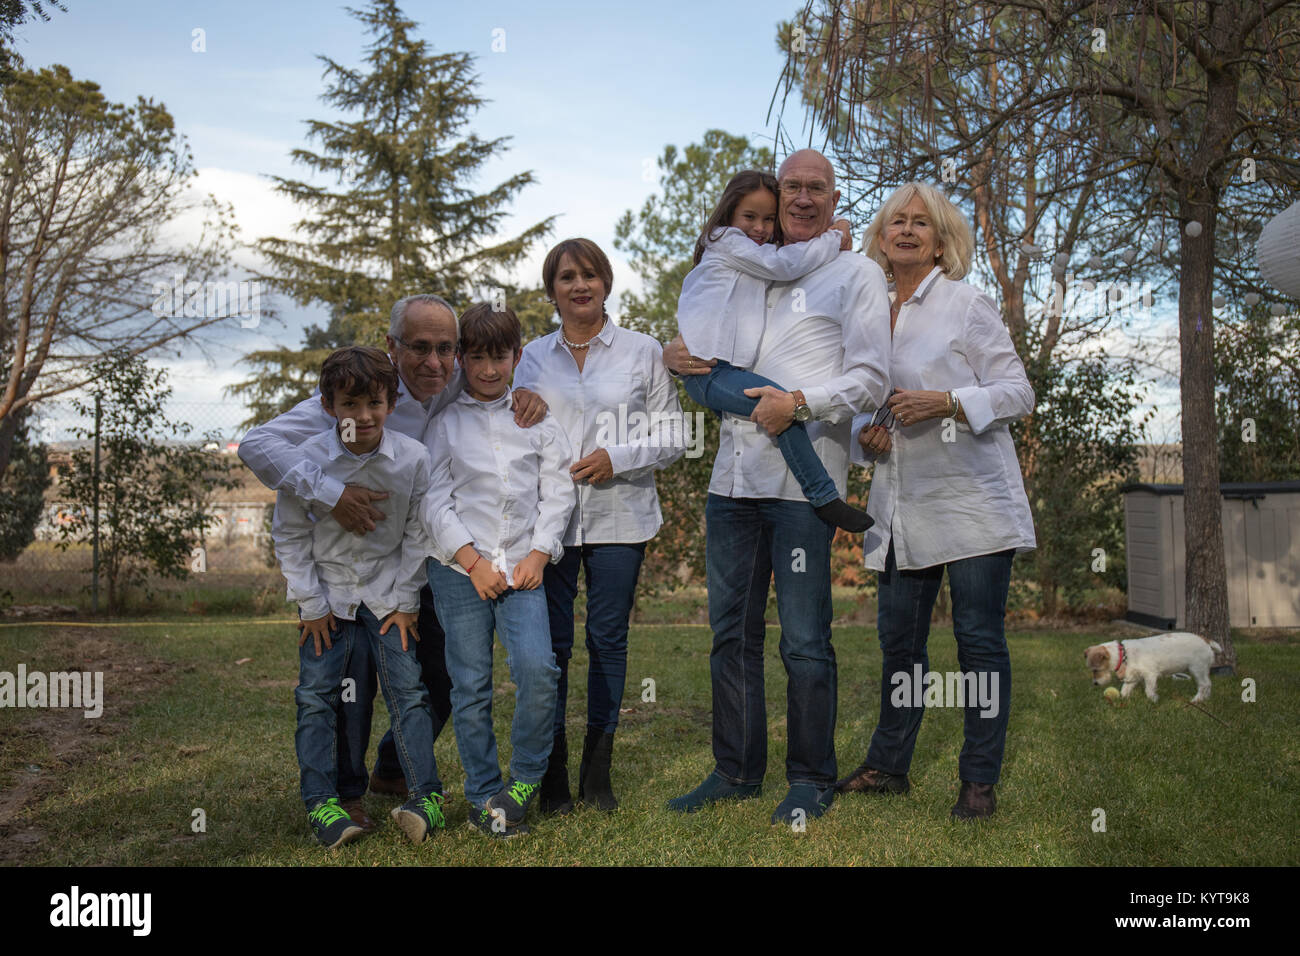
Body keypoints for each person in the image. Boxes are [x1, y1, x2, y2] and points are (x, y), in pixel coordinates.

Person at [238, 294, 546, 829]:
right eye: (420, 348)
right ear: (392, 346)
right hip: (359, 569)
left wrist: (530, 396)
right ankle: (344, 793)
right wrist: (331, 493)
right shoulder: (361, 395)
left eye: (446, 349)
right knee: (351, 680)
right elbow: (257, 446)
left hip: (435, 562)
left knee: (441, 677)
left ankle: (393, 770)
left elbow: (495, 379)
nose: (434, 362)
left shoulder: (454, 384)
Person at [665, 150, 891, 825]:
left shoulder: (857, 274)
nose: (799, 199)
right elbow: (706, 342)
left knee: (803, 639)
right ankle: (734, 770)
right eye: (790, 186)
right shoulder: (747, 259)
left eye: (813, 188)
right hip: (731, 483)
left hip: (801, 488)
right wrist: (672, 353)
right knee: (730, 634)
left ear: (832, 195)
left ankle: (811, 776)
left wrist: (799, 400)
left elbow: (872, 379)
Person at [836, 181, 1036, 820]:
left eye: (921, 223)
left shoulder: (964, 304)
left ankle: (978, 781)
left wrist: (948, 401)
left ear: (942, 241)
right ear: (881, 236)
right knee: (900, 644)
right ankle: (890, 765)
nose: (906, 230)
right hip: (900, 508)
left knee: (977, 643)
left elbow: (1017, 392)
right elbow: (867, 418)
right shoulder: (864, 312)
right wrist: (867, 441)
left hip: (972, 503)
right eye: (897, 220)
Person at [513, 238, 685, 813]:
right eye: (567, 277)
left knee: (607, 641)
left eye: (590, 274)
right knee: (554, 646)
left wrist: (619, 457)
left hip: (622, 516)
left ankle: (598, 770)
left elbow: (675, 435)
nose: (579, 285)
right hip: (550, 525)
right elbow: (510, 427)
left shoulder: (643, 351)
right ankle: (554, 773)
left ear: (607, 283)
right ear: (552, 289)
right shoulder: (531, 357)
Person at [273, 346, 443, 847]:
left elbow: (418, 530)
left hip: (388, 598)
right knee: (319, 697)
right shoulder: (305, 462)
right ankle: (326, 802)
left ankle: (425, 794)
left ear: (392, 402)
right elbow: (288, 535)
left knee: (409, 691)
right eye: (350, 405)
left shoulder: (413, 458)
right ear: (329, 407)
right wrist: (310, 602)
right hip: (327, 602)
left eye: (374, 403)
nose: (363, 416)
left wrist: (407, 599)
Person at [421, 304, 575, 838]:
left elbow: (558, 489)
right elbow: (434, 500)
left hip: (524, 569)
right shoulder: (444, 425)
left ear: (517, 356)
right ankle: (484, 796)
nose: (489, 370)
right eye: (478, 358)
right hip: (459, 570)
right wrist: (471, 561)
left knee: (539, 669)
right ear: (461, 359)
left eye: (500, 357)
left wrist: (539, 552)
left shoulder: (536, 418)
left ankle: (524, 781)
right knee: (471, 684)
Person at [677, 169, 871, 533]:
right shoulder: (728, 241)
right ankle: (825, 497)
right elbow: (787, 265)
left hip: (725, 372)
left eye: (768, 219)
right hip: (711, 373)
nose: (760, 228)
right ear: (729, 215)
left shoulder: (753, 254)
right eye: (749, 217)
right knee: (782, 408)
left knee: (776, 413)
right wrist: (834, 235)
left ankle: (820, 495)